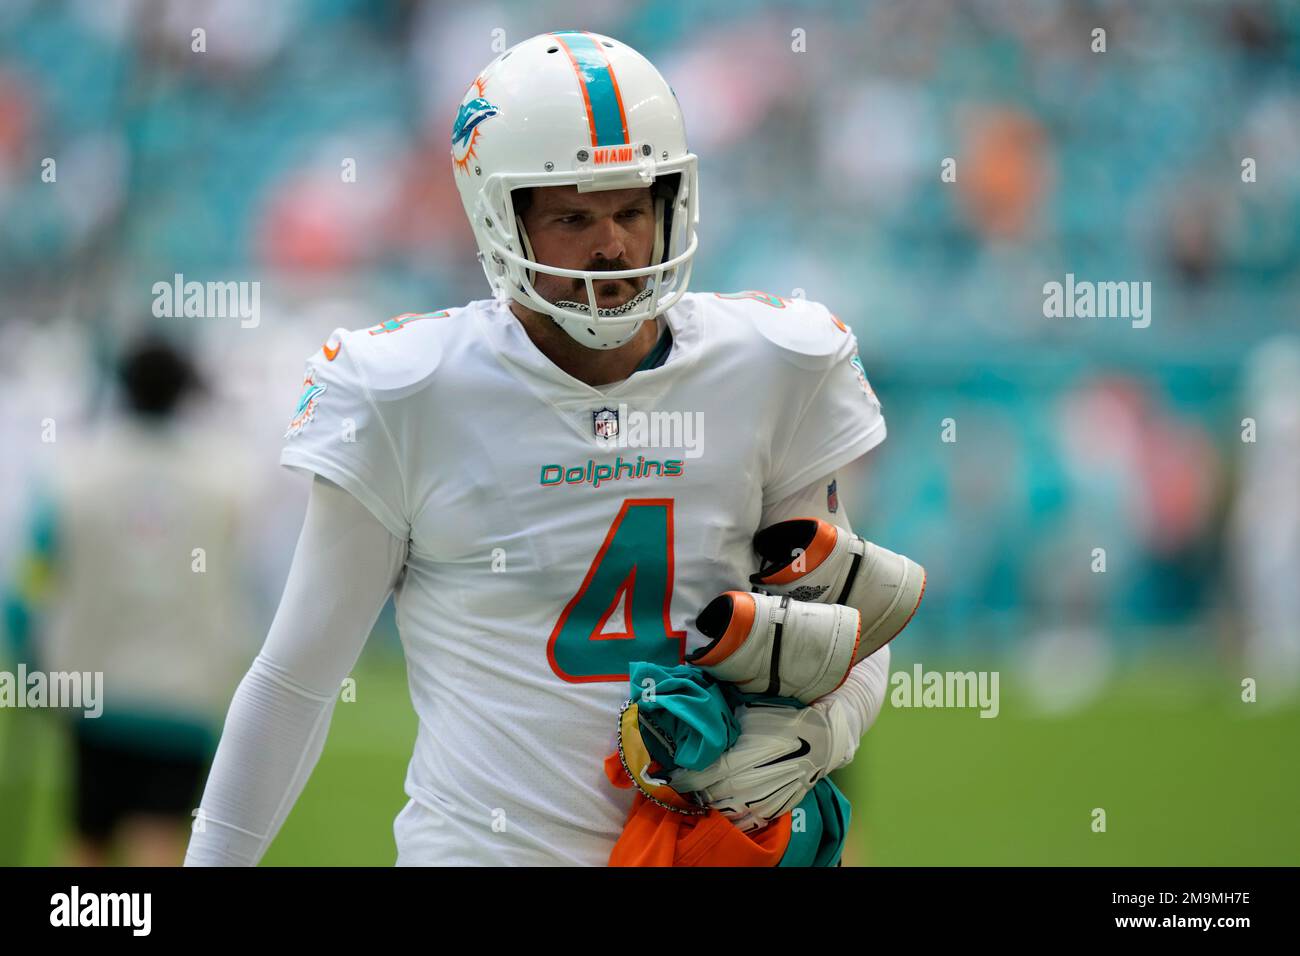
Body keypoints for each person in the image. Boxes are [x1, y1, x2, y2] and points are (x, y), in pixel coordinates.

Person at [185, 30, 918, 866]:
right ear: (503, 218)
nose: (613, 244)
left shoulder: (769, 366)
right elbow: (294, 681)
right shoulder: (408, 394)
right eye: (574, 215)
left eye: (632, 209)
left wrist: (821, 734)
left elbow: (843, 625)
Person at [5, 334, 255, 865]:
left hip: (97, 690)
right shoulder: (223, 484)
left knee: (86, 841)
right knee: (159, 842)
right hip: (184, 695)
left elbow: (26, 588)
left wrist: (31, 662)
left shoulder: (74, 476)